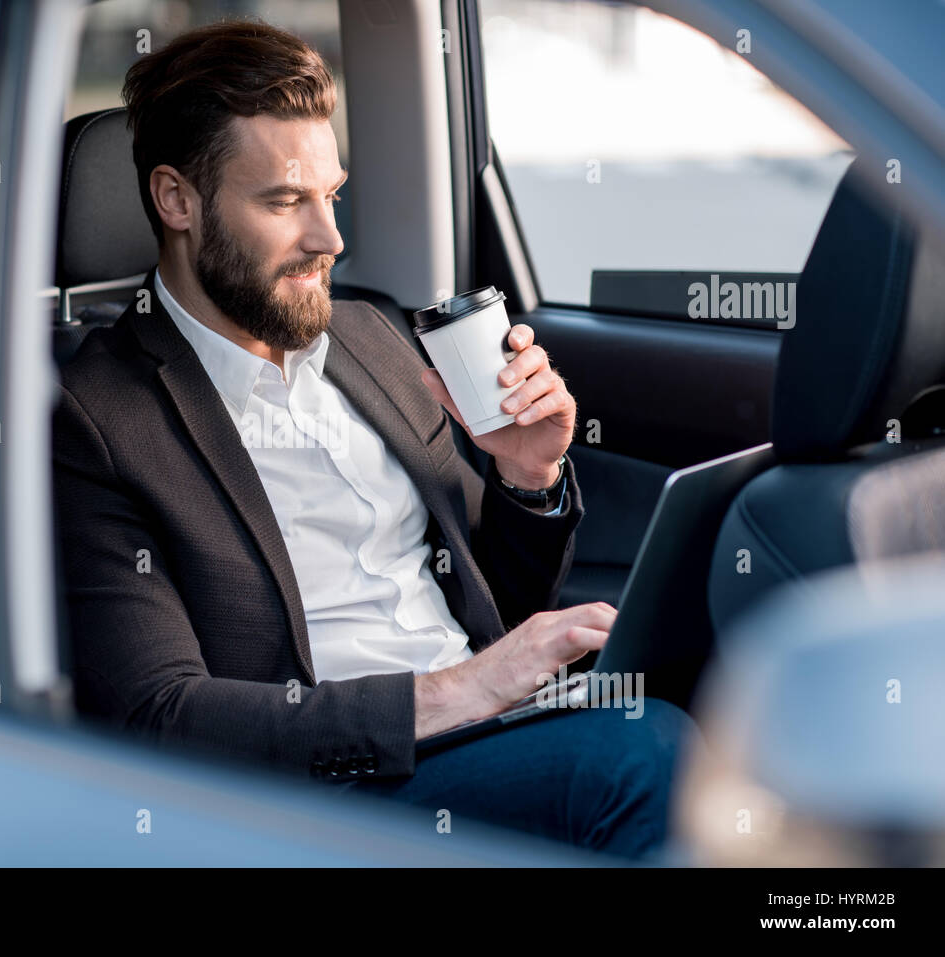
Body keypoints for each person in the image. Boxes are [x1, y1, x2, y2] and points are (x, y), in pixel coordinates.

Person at [51, 18, 702, 859]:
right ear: (177, 200)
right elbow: (162, 716)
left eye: (332, 194)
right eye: (285, 201)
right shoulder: (96, 416)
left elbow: (491, 605)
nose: (331, 237)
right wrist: (464, 688)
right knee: (642, 758)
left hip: (482, 730)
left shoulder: (366, 336)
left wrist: (527, 477)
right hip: (332, 790)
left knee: (729, 686)